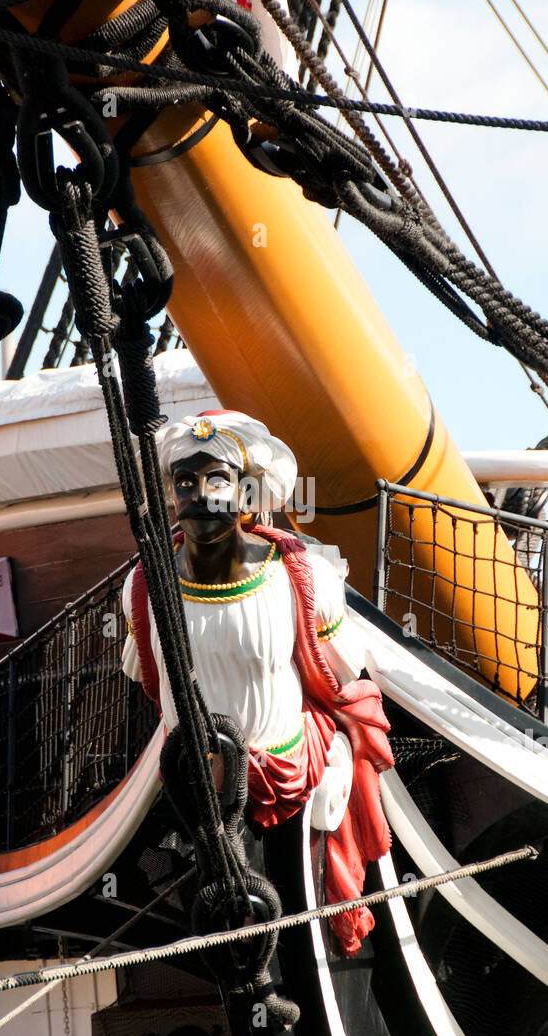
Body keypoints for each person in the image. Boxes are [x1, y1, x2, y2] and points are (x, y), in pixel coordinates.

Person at [121, 409, 393, 955]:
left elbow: (340, 674)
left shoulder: (301, 575)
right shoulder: (143, 587)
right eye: (184, 483)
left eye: (216, 480)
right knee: (230, 933)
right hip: (200, 784)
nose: (199, 495)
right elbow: (149, 680)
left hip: (293, 777)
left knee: (294, 925)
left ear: (247, 493)